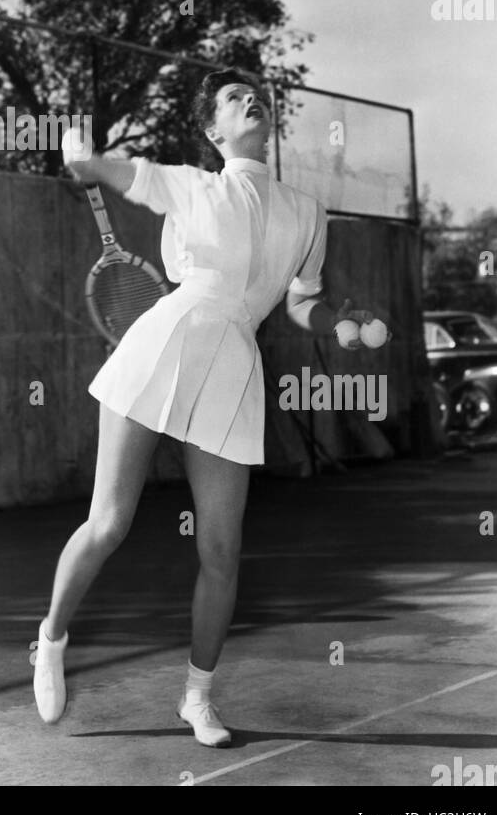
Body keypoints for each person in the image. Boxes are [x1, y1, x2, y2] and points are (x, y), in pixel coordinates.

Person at [31, 69, 384, 745]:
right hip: (161, 347)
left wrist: (339, 319)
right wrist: (84, 159)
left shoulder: (306, 212)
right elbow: (118, 171)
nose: (249, 98)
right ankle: (49, 639)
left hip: (233, 366)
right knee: (108, 523)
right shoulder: (191, 184)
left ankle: (196, 698)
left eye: (255, 93)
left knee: (222, 551)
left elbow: (302, 301)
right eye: (230, 97)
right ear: (211, 130)